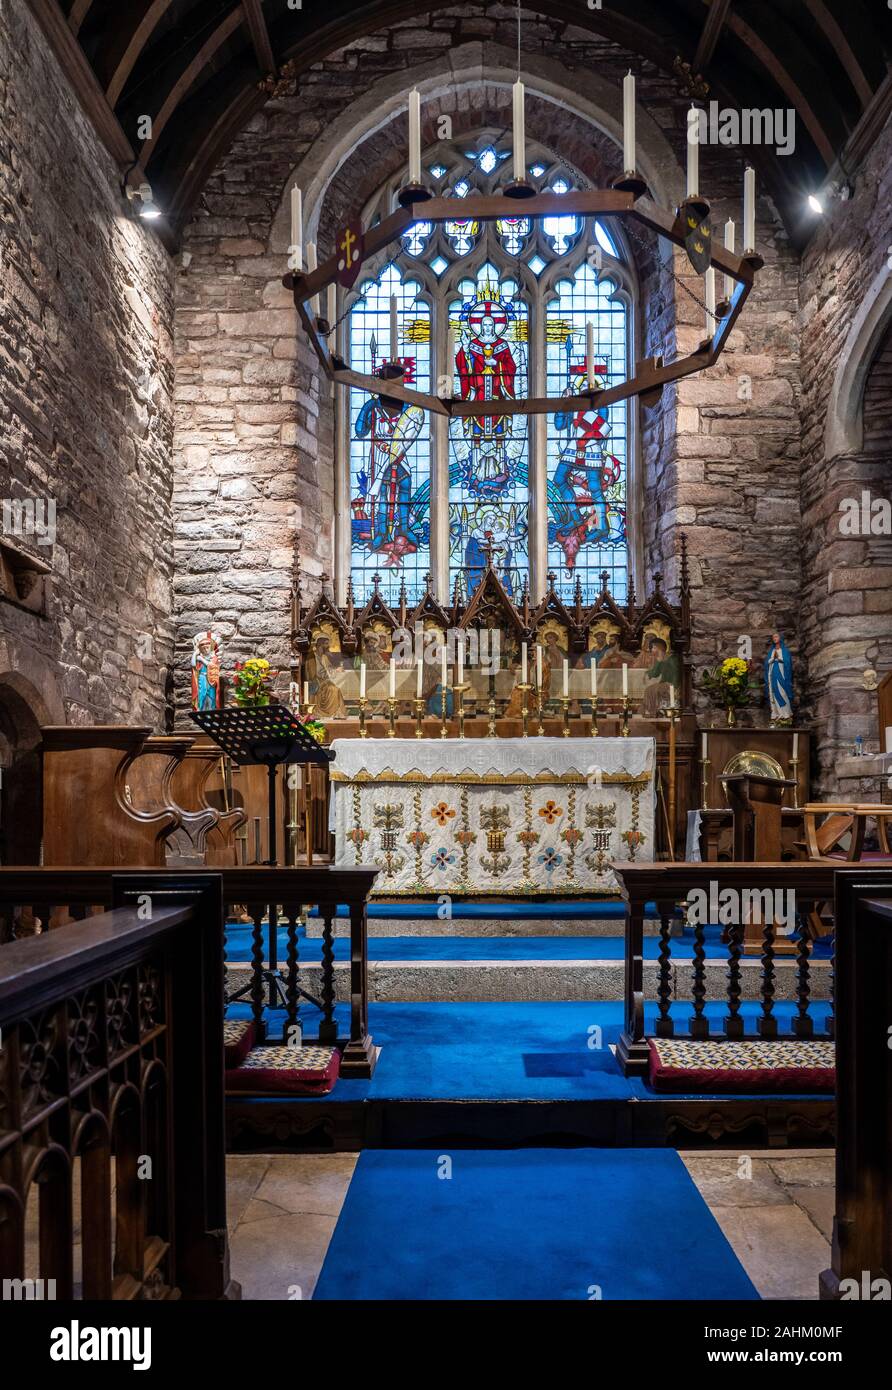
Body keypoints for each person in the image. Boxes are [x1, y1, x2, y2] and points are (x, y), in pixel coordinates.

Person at [764, 632, 794, 723]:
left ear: (780, 638)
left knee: (782, 692)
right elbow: (766, 663)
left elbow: (787, 662)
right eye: (773, 637)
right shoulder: (772, 651)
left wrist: (779, 659)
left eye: (776, 636)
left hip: (781, 673)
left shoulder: (784, 650)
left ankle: (785, 714)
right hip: (772, 674)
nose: (775, 638)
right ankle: (776, 714)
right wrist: (772, 659)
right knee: (773, 692)